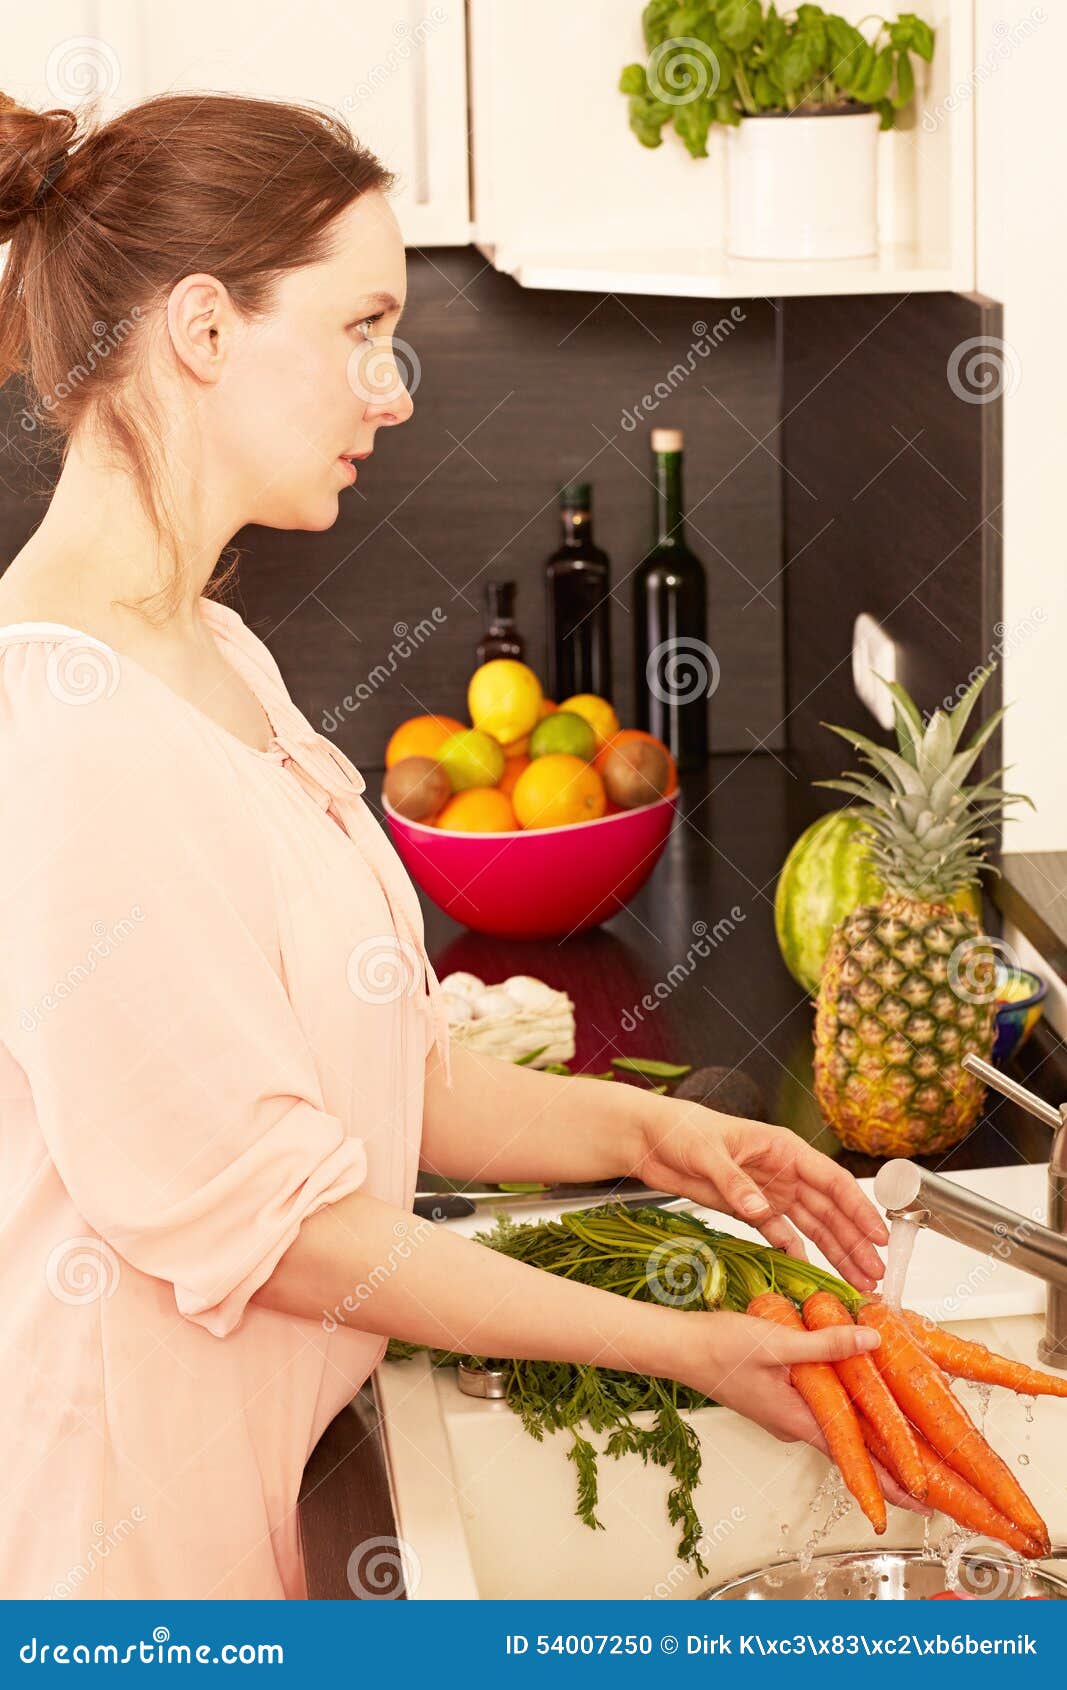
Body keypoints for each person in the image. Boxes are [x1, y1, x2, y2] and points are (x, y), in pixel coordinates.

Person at [0, 90, 903, 1602]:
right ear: (206, 329)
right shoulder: (68, 726)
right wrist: (686, 1343)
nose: (393, 389)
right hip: (117, 1548)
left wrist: (658, 1139)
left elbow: (385, 1079)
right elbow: (282, 1229)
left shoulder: (209, 648)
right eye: (361, 327)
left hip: (239, 1489)